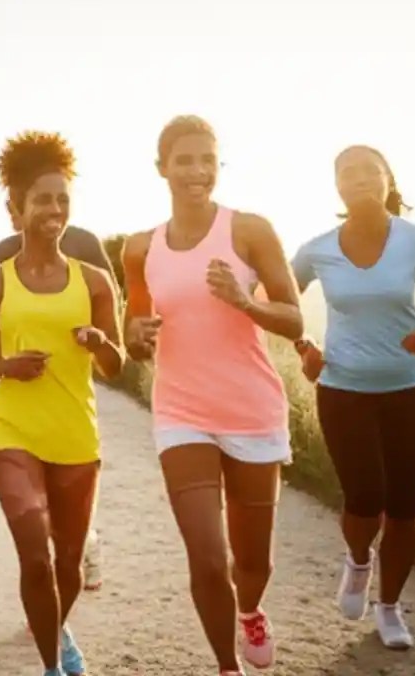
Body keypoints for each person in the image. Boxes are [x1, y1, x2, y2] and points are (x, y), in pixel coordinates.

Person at [120, 115, 303, 676]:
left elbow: (294, 320)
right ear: (162, 169)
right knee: (206, 557)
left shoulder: (249, 230)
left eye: (208, 160)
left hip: (250, 410)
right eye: (185, 161)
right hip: (181, 412)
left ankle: (249, 610)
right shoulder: (139, 247)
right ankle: (228, 667)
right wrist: (136, 338)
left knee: (253, 561)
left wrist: (245, 302)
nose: (198, 172)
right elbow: (135, 330)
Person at [291, 145, 415, 650]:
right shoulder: (317, 250)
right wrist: (303, 347)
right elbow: (281, 302)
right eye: (345, 172)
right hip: (342, 391)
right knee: (364, 500)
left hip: (410, 391)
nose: (357, 179)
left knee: (403, 508)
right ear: (336, 186)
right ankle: (358, 560)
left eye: (368, 171)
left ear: (387, 180)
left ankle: (390, 608)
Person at [0, 130, 124, 676]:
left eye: (61, 199)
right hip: (13, 430)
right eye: (42, 199)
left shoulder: (95, 280)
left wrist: (101, 343)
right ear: (17, 209)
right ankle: (53, 666)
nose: (54, 209)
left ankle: (55, 623)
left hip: (76, 431)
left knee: (69, 565)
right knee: (35, 552)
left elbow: (118, 364)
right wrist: (7, 366)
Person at [0, 214, 112, 592]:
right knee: (35, 518)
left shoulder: (86, 245)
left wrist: (93, 339)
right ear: (17, 207)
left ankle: (86, 544)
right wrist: (12, 356)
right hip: (20, 410)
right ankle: (49, 604)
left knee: (68, 508)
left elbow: (108, 320)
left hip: (71, 404)